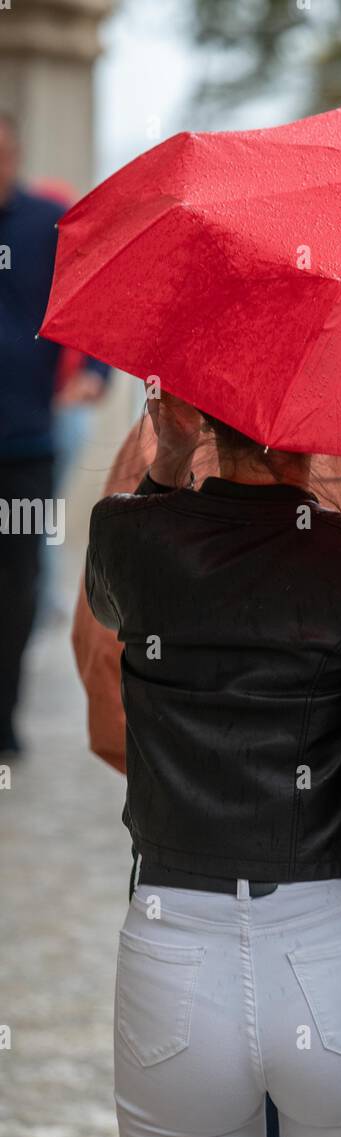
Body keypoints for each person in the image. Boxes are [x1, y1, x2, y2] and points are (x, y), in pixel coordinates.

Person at [85, 391, 341, 1137]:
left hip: (174, 948)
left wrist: (166, 462)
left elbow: (108, 596)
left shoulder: (132, 536)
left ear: (203, 421)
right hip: (337, 943)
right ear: (314, 434)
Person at [0, 111, 107, 754]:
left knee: (18, 584)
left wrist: (94, 371)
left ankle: (3, 719)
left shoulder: (47, 221)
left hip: (27, 447)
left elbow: (91, 296)